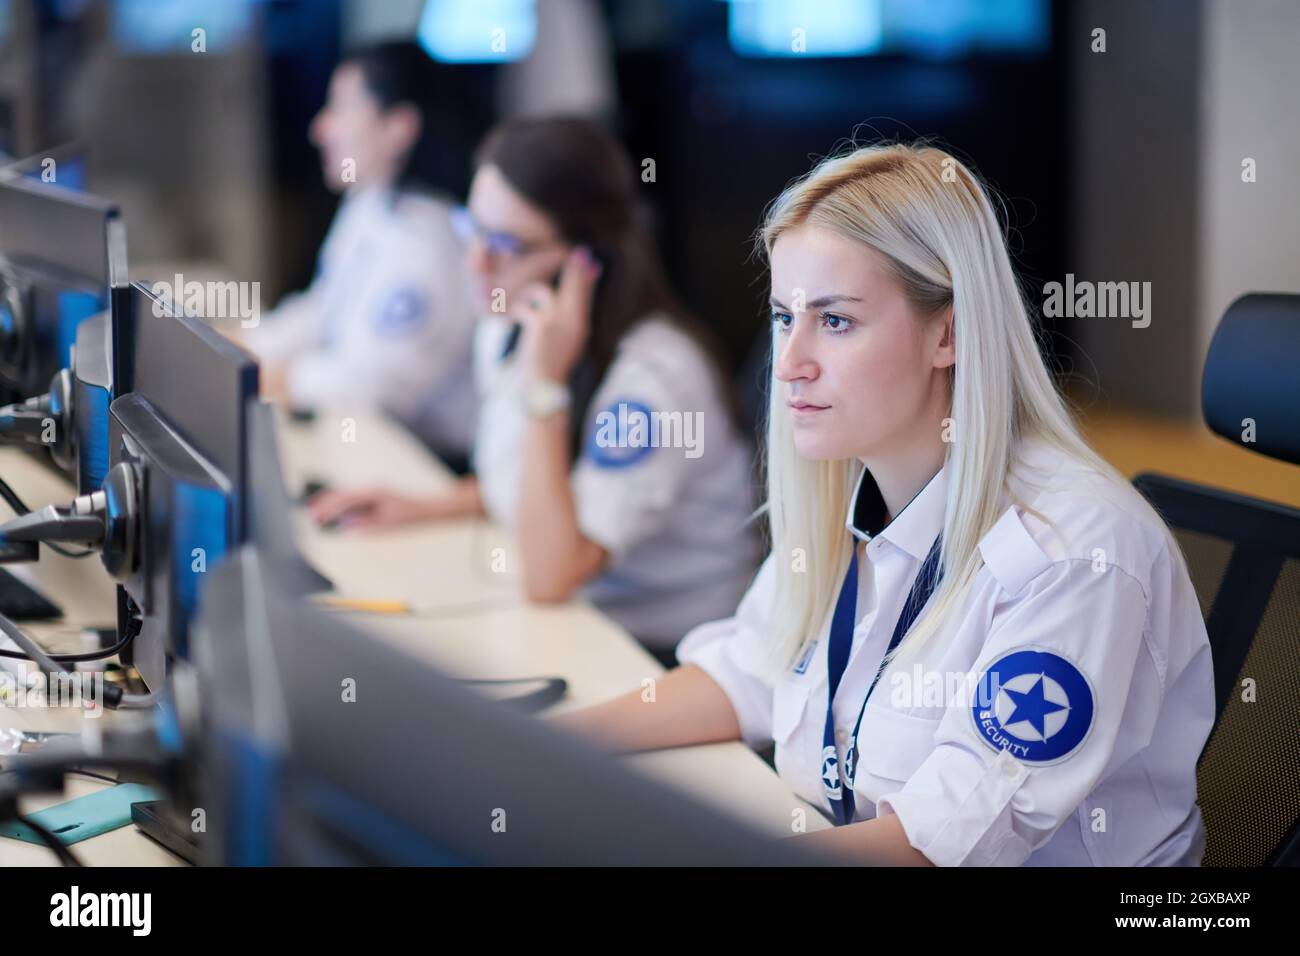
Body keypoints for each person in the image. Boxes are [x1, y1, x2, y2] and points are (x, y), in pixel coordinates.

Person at [552, 141, 1215, 866]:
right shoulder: (856, 488)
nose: (790, 363)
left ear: (949, 333)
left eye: (835, 321)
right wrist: (542, 750)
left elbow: (937, 842)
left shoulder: (1073, 554)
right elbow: (749, 668)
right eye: (784, 318)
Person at [308, 117, 761, 665]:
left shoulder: (651, 385)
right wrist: (430, 505)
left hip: (660, 649)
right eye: (470, 229)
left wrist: (545, 387)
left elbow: (553, 573)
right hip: (576, 616)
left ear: (583, 259)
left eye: (504, 243)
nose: (476, 261)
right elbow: (542, 484)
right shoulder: (509, 319)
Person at [243, 41, 481, 469]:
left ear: (398, 128)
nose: (320, 128)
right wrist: (250, 346)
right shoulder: (370, 203)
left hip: (427, 462)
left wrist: (260, 375)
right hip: (366, 441)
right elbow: (323, 308)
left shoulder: (428, 245)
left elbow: (372, 386)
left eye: (340, 107)